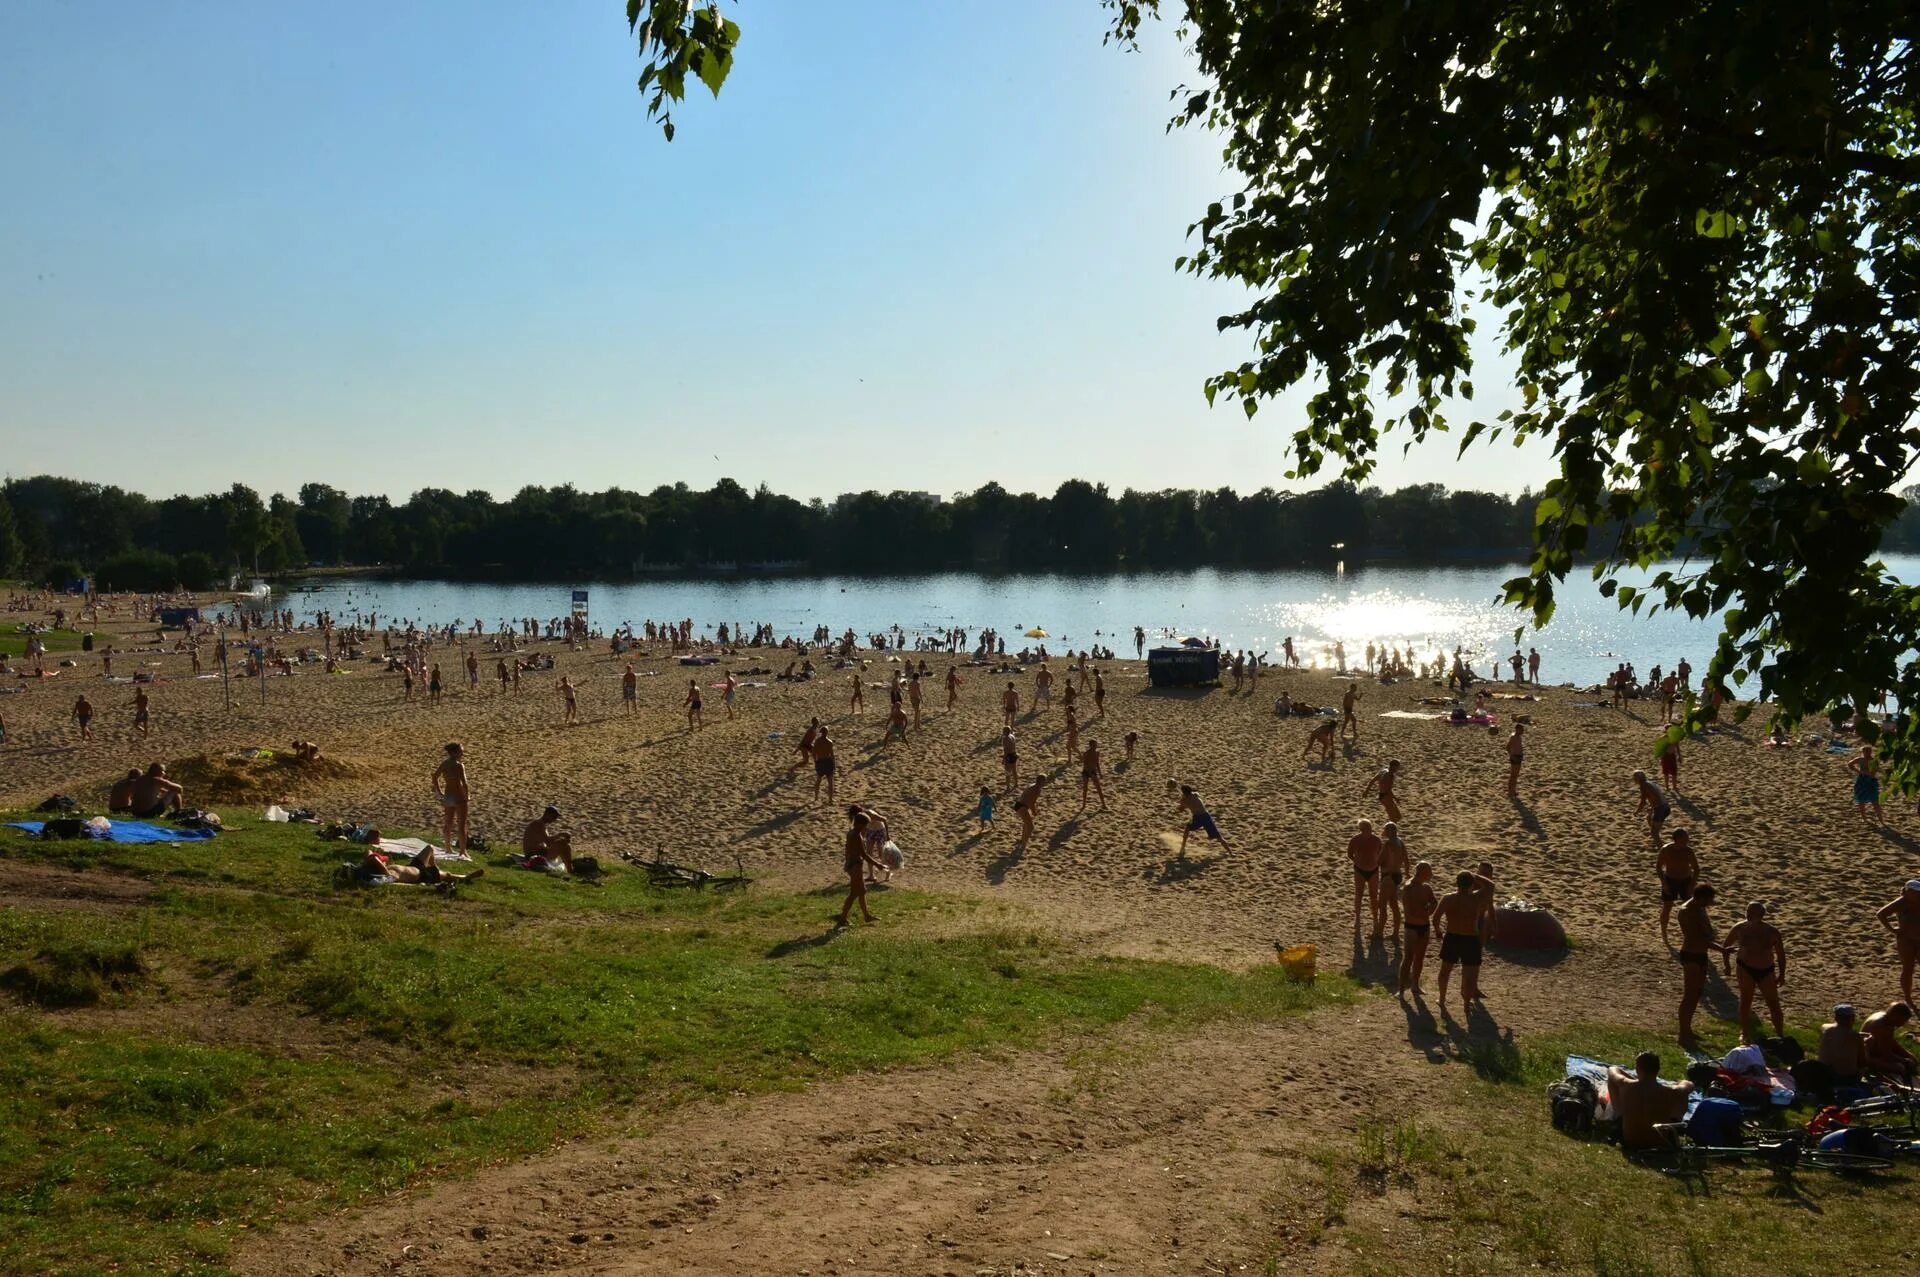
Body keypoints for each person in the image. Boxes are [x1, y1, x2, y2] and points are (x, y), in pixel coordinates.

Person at [1433, 867, 1497, 1013]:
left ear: (1457, 883)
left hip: (1452, 936)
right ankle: (1466, 1004)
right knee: (1469, 975)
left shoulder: (1448, 898)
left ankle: (1442, 998)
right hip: (1470, 939)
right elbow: (1491, 885)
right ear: (1471, 884)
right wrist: (1475, 876)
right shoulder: (1476, 898)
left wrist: (1438, 931)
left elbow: (1436, 918)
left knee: (1445, 971)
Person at [1723, 901, 1787, 1044]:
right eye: (1748, 912)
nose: (1749, 915)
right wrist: (1727, 965)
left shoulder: (1772, 932)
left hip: (1766, 969)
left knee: (1773, 1003)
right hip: (1745, 968)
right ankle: (1745, 1032)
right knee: (1746, 1000)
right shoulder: (1739, 928)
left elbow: (1781, 955)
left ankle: (1780, 1034)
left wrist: (1782, 974)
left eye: (1752, 913)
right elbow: (1725, 946)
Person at [1674, 884, 1727, 1049]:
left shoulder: (1698, 908)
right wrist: (1721, 949)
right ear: (1702, 898)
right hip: (1691, 954)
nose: (1711, 903)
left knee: (1696, 994)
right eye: (1709, 899)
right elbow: (1698, 938)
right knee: (1689, 995)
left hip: (1701, 954)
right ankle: (1683, 1034)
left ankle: (1687, 1029)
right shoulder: (1688, 911)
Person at [1606, 1052, 1692, 1153]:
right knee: (1683, 1095)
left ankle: (1619, 1116)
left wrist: (1633, 1080)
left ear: (1638, 1069)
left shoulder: (1625, 1085)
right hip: (1660, 1142)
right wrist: (1679, 1084)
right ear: (1658, 1070)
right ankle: (1674, 1121)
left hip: (1630, 1141)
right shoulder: (1671, 1091)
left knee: (1612, 1081)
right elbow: (1689, 1085)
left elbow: (1612, 1070)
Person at [1875, 879, 1920, 1005]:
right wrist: (1893, 930)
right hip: (1906, 940)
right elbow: (1881, 914)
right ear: (1908, 891)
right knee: (1907, 969)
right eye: (1916, 892)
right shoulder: (1902, 902)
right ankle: (1907, 996)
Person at [1398, 862, 1437, 995]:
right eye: (1429, 872)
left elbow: (1434, 902)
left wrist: (1428, 911)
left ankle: (1415, 985)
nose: (1431, 875)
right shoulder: (1409, 888)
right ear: (1422, 873)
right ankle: (1401, 988)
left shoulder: (1426, 887)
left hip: (1424, 926)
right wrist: (1424, 911)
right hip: (1412, 927)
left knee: (1419, 958)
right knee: (1408, 957)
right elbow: (1410, 911)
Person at [837, 808, 881, 926]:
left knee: (862, 891)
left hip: (852, 864)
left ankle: (866, 915)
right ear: (860, 825)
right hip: (855, 866)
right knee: (854, 893)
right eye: (865, 826)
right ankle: (842, 918)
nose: (866, 828)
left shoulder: (851, 833)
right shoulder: (857, 836)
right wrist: (878, 865)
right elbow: (864, 854)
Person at [1655, 829, 1699, 947]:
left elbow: (1696, 869)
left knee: (1690, 908)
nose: (1688, 840)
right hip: (1670, 880)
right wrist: (1664, 883)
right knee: (1667, 906)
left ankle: (1690, 933)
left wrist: (1691, 885)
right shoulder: (1666, 850)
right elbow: (1659, 867)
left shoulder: (1689, 851)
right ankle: (1664, 932)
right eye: (1685, 838)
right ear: (1678, 839)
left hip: (1685, 881)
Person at [1862, 1002, 1917, 1082]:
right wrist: (1905, 1060)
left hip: (1877, 1050)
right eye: (1902, 1020)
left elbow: (1891, 1042)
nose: (1902, 1024)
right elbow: (1886, 1054)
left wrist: (1907, 1055)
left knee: (1912, 1059)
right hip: (1867, 1055)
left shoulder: (1887, 1019)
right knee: (1900, 1067)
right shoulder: (1881, 1026)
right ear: (1895, 1016)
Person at [1347, 819, 1384, 937]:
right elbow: (1350, 854)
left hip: (1373, 870)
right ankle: (1357, 918)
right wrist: (1358, 862)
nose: (1368, 831)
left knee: (1374, 895)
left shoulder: (1376, 840)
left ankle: (1375, 919)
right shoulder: (1355, 840)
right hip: (1359, 870)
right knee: (1359, 894)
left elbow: (1380, 854)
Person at [432, 743, 470, 856]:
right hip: (459, 796)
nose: (462, 753)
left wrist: (439, 792)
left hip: (448, 795)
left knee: (448, 823)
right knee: (461, 824)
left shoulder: (444, 764)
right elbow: (464, 783)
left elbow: (435, 776)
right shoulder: (459, 765)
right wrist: (467, 795)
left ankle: (448, 847)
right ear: (454, 752)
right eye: (460, 751)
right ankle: (463, 851)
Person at [1172, 782, 1231, 855]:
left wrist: (1181, 801)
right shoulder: (1196, 795)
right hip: (1206, 816)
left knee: (1187, 829)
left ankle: (1182, 848)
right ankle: (1230, 852)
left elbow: (1180, 810)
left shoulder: (1184, 800)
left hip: (1198, 817)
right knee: (1219, 837)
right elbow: (1194, 795)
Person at [1819, 1004, 1866, 1089]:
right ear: (1852, 1018)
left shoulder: (1827, 1031)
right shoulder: (1854, 1036)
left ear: (1836, 1018)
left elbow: (1825, 1026)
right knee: (1866, 1059)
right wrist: (1868, 1043)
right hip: (1846, 1079)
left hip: (1825, 1075)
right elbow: (1862, 1060)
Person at [1380, 822, 1409, 937]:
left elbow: (1380, 861)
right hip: (1397, 875)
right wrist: (1406, 873)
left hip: (1388, 875)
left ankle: (1379, 932)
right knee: (1394, 905)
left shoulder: (1388, 844)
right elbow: (1406, 860)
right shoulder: (1400, 842)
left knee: (1382, 905)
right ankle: (1395, 933)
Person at [521, 805, 573, 871]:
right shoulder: (538, 824)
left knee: (565, 845)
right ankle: (570, 869)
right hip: (534, 855)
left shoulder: (540, 824)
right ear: (547, 814)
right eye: (554, 817)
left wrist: (560, 840)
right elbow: (548, 841)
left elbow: (547, 842)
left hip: (539, 852)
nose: (555, 820)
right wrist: (561, 834)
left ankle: (570, 868)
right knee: (563, 845)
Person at [1631, 769, 1671, 849]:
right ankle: (1656, 840)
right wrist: (1652, 809)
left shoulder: (1643, 786)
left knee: (1654, 832)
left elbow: (1643, 802)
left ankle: (1662, 850)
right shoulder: (1651, 783)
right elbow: (1656, 797)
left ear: (1638, 779)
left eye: (1634, 778)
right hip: (1666, 807)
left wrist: (1636, 812)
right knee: (1649, 818)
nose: (1634, 779)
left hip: (1660, 809)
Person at [1363, 759, 1403, 824]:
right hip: (1386, 797)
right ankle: (1388, 832)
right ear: (1394, 766)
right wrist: (1395, 798)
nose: (1398, 769)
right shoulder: (1390, 775)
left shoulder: (1383, 771)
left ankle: (1390, 830)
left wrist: (1366, 791)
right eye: (1398, 767)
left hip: (1382, 796)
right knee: (1393, 818)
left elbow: (1372, 780)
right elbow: (1388, 790)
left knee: (1398, 816)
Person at [1012, 773, 1047, 846]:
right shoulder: (1037, 789)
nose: (1045, 782)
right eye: (1045, 780)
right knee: (1031, 827)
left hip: (1019, 805)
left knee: (1026, 824)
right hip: (1022, 807)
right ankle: (1024, 843)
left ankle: (1022, 840)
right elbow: (1032, 802)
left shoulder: (1032, 785)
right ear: (1041, 781)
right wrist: (1034, 812)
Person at [1851, 745, 1883, 820]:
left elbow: (1874, 772)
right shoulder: (1860, 759)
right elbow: (1850, 764)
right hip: (1861, 781)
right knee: (1861, 800)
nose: (1867, 753)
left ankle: (1880, 818)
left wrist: (1865, 772)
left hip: (1871, 782)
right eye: (1865, 752)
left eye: (1868, 752)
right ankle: (1864, 818)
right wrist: (1858, 771)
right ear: (1863, 752)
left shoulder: (1873, 761)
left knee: (1875, 801)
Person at [1078, 737, 1107, 813]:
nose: (1095, 746)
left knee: (1098, 788)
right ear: (1090, 745)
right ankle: (1083, 804)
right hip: (1086, 771)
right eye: (1094, 745)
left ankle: (1103, 804)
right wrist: (1091, 773)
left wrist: (1099, 773)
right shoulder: (1087, 753)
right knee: (1085, 788)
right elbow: (1085, 764)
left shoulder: (1097, 753)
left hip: (1093, 771)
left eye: (1096, 745)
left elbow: (1097, 763)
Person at [812, 726, 838, 804]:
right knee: (830, 782)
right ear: (826, 732)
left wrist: (815, 761)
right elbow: (832, 754)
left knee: (818, 780)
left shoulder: (817, 741)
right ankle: (830, 799)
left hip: (820, 761)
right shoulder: (829, 742)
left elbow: (814, 753)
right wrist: (834, 764)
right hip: (827, 762)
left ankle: (816, 797)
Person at [1505, 722, 1524, 798]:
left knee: (1516, 775)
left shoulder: (1519, 737)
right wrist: (1512, 755)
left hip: (1519, 756)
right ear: (1517, 729)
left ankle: (1513, 790)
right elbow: (1508, 747)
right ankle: (1510, 791)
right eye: (1521, 730)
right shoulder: (1513, 737)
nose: (1523, 731)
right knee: (1513, 775)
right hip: (1514, 756)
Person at [1001, 725, 1019, 790]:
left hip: (1009, 755)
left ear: (1005, 732)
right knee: (1014, 770)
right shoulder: (1012, 736)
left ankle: (1008, 786)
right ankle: (1016, 783)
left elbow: (1006, 750)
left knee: (1007, 771)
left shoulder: (1005, 738)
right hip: (1014, 754)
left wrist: (1004, 759)